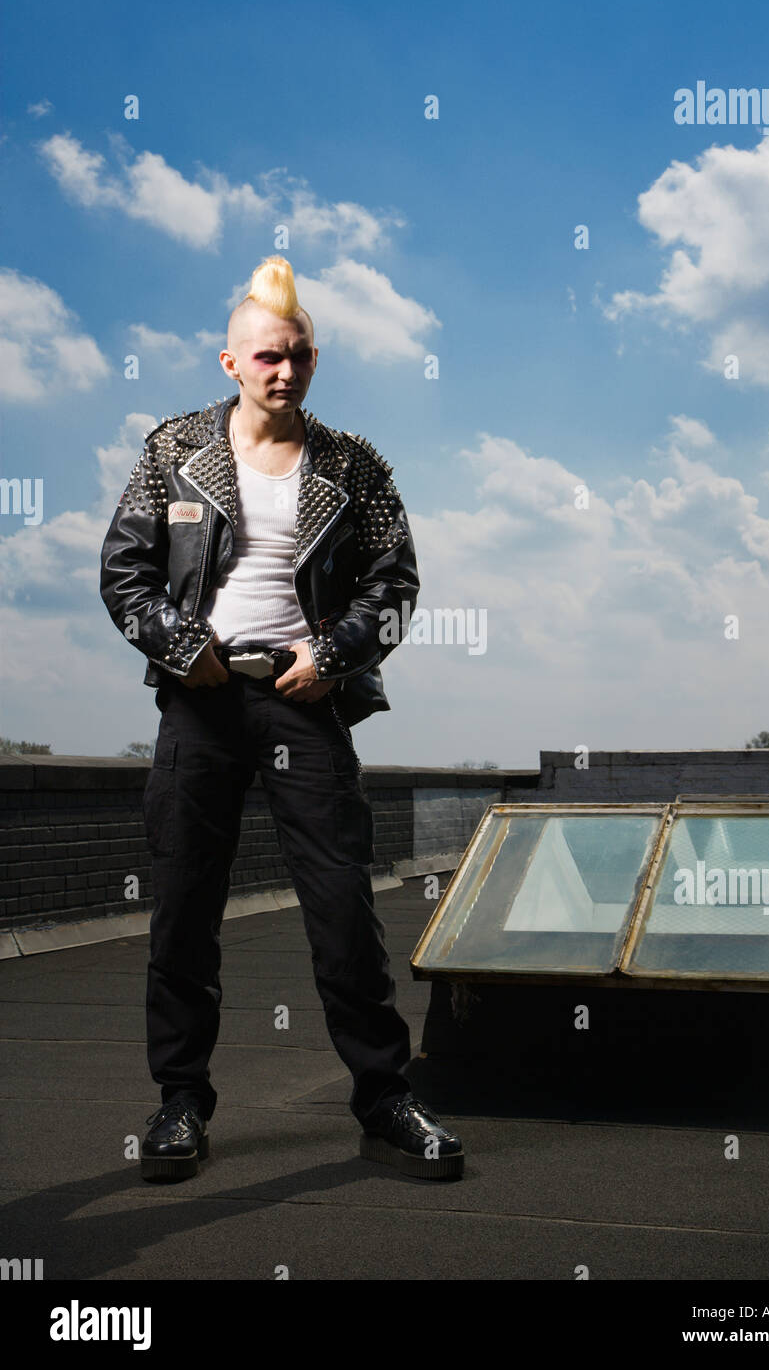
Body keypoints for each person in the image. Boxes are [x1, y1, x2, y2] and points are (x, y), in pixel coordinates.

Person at [100, 255, 464, 1182]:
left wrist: (333, 655)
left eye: (298, 356)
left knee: (342, 908)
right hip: (201, 701)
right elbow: (123, 574)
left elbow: (396, 585)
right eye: (267, 356)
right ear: (229, 361)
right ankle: (180, 1103)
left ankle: (385, 1097)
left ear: (315, 359)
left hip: (303, 700)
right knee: (183, 910)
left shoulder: (354, 462)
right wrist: (186, 648)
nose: (284, 371)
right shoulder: (173, 449)